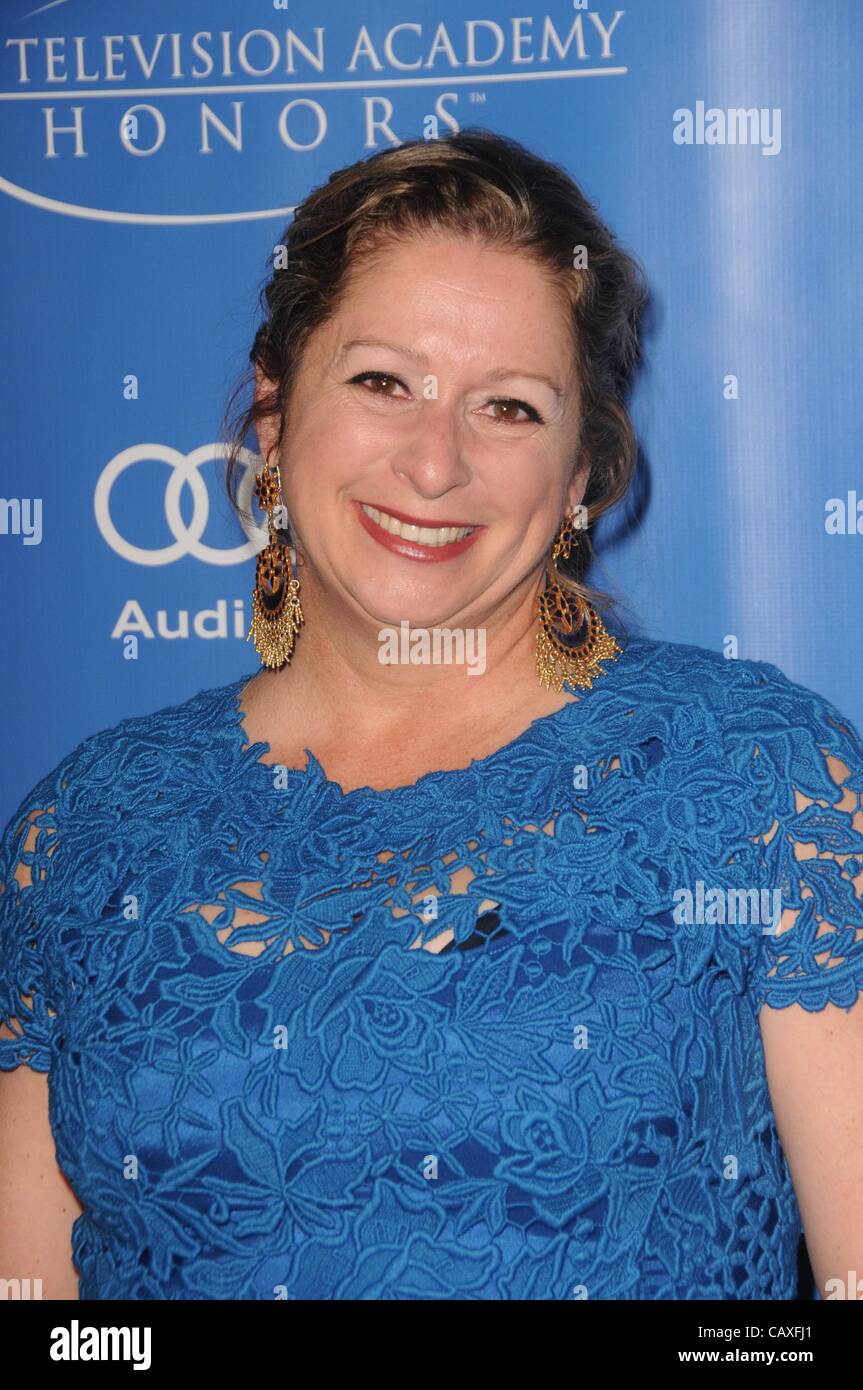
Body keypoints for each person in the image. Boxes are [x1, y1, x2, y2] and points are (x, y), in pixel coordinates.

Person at [1, 128, 862, 1301]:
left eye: (507, 407)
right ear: (271, 411)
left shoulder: (757, 777)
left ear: (576, 480)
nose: (433, 462)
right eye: (380, 381)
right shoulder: (85, 827)